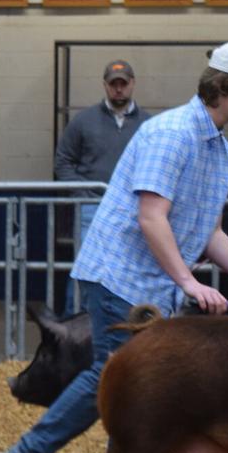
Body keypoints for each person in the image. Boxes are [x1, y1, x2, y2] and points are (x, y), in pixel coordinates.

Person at [0, 41, 228, 453]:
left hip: (155, 281)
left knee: (142, 385)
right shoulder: (172, 133)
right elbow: (151, 217)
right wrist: (189, 281)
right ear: (224, 85)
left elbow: (212, 231)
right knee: (111, 370)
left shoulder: (219, 147)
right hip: (121, 272)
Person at [54, 59, 153, 315]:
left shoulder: (149, 125)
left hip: (133, 208)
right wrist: (83, 193)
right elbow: (63, 161)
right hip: (92, 208)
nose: (118, 89)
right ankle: (75, 327)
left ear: (132, 84)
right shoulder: (83, 121)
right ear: (105, 85)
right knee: (86, 269)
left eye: (123, 83)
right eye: (113, 84)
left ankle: (119, 328)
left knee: (130, 269)